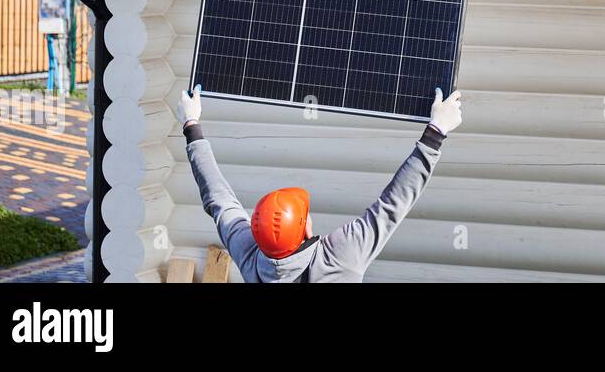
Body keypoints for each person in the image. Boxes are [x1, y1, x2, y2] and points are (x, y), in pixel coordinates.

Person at [178, 83, 461, 282]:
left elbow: (219, 201)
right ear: (304, 229)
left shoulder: (252, 258)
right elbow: (392, 205)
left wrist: (192, 125)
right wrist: (435, 132)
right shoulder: (340, 257)